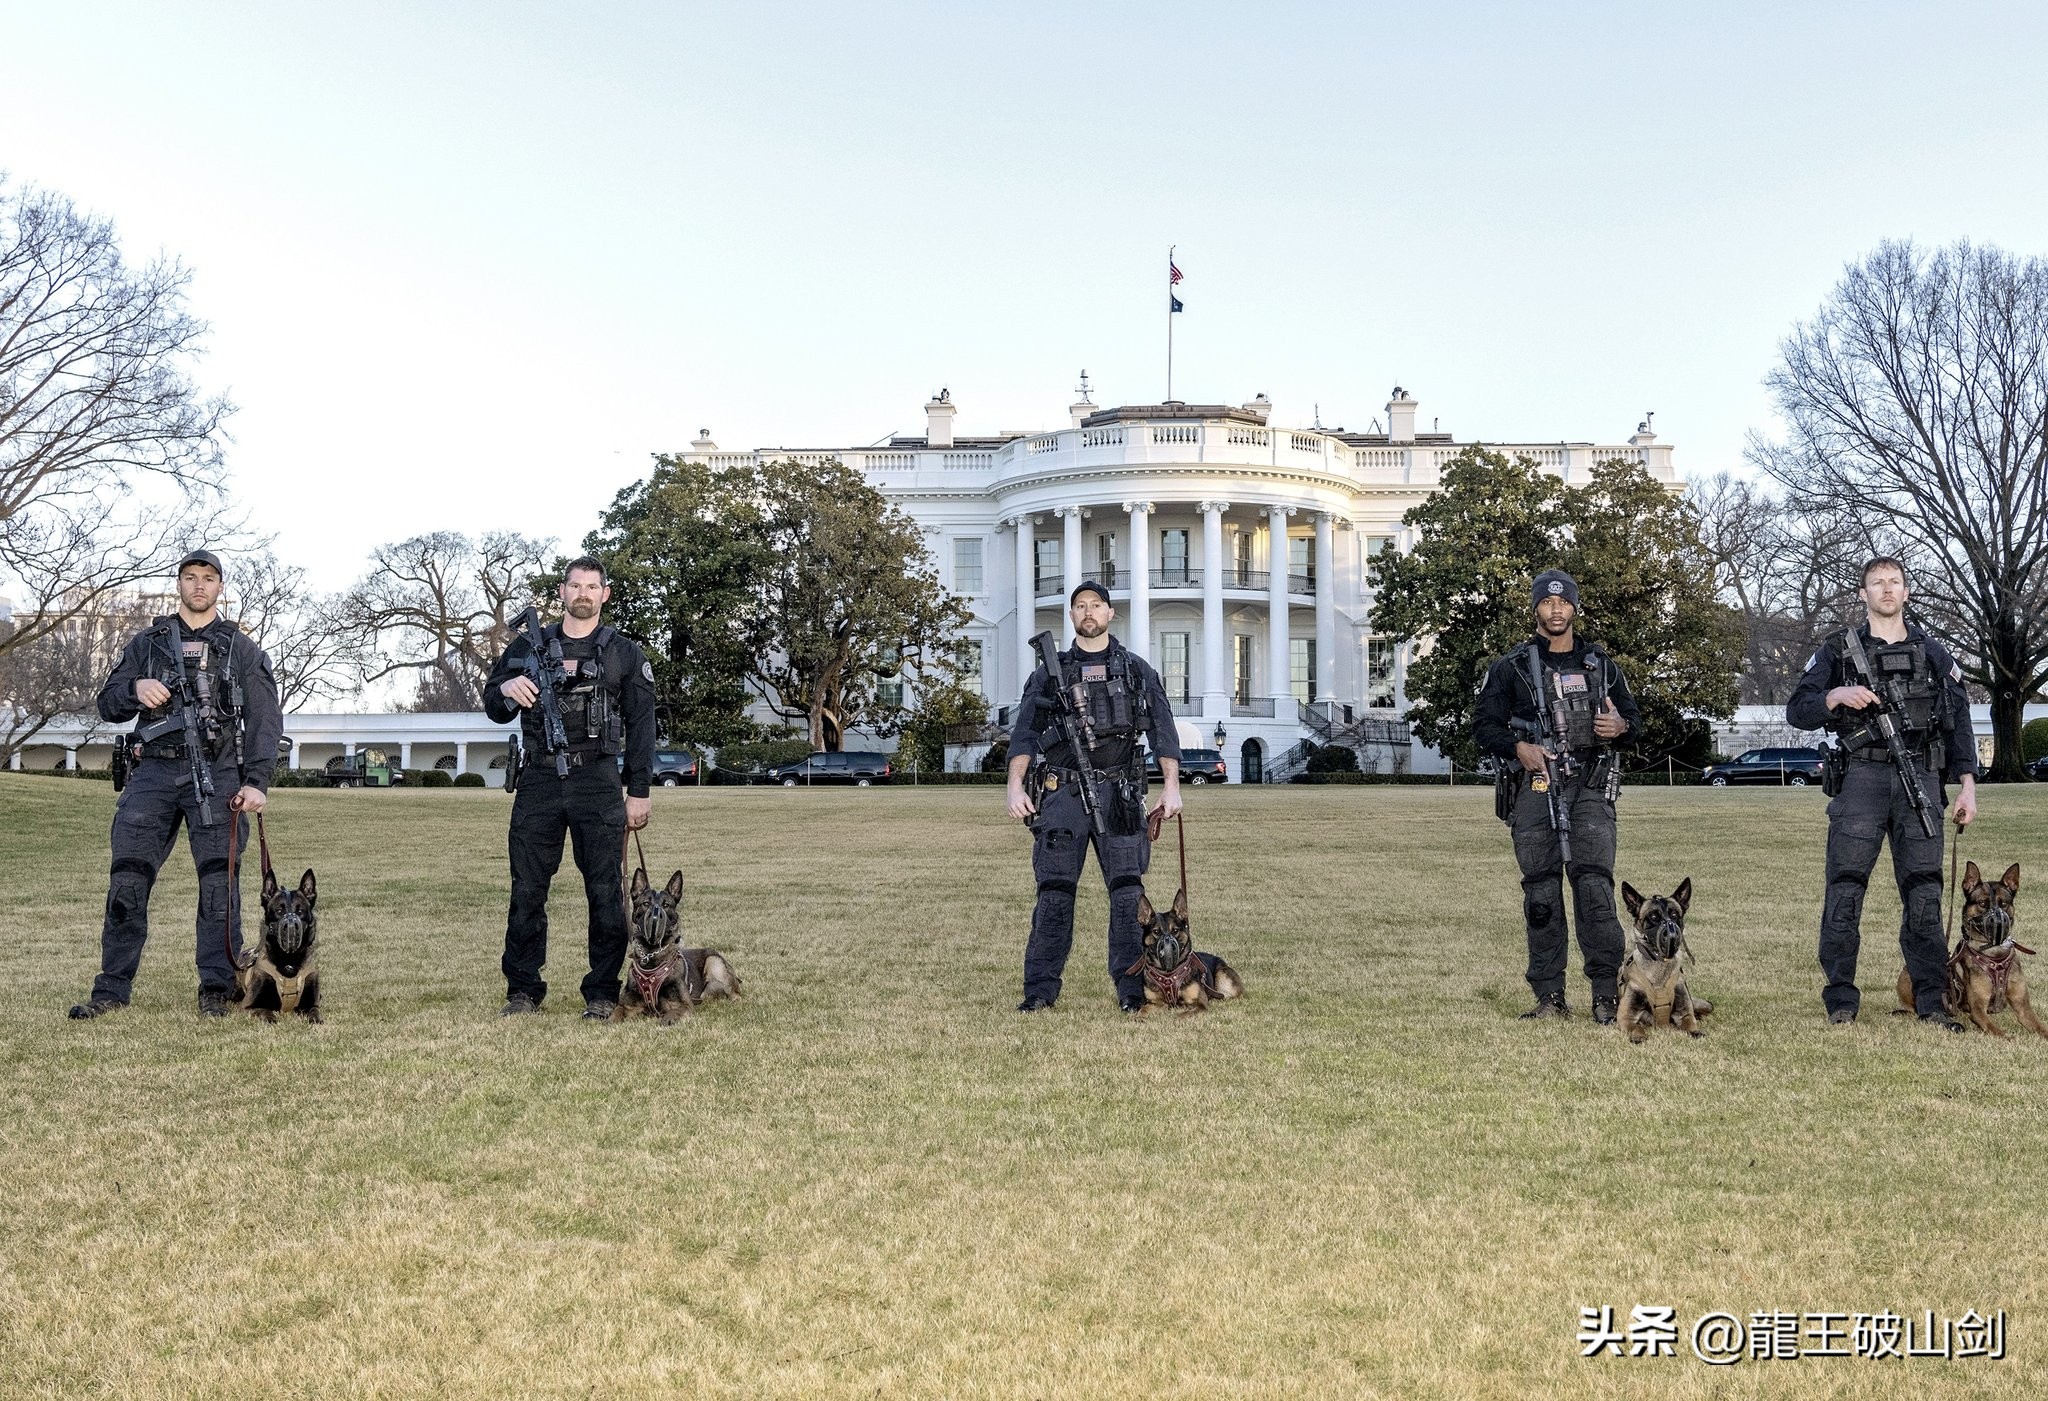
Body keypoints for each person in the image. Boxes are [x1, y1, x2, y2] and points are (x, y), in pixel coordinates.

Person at [69, 550, 283, 1019]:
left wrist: (257, 781)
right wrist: (136, 689)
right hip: (154, 775)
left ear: (220, 587)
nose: (199, 586)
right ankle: (110, 991)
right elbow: (108, 704)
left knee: (218, 886)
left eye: (209, 578)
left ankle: (218, 988)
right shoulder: (147, 643)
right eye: (190, 578)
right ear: (179, 584)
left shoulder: (241, 649)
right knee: (127, 879)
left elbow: (265, 720)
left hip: (219, 772)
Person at [1786, 556, 1977, 1029]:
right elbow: (1799, 709)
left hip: (1923, 781)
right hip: (1862, 782)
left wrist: (1967, 787)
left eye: (1895, 582)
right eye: (1877, 583)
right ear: (1863, 593)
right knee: (1845, 891)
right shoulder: (1837, 651)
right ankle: (1841, 1000)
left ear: (1907, 592)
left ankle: (1931, 1000)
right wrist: (1835, 697)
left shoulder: (1934, 653)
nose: (1887, 590)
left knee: (1925, 895)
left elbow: (1960, 723)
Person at [484, 556, 656, 1019]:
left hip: (597, 781)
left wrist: (638, 790)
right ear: (561, 592)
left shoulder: (623, 653)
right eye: (575, 585)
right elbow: (493, 704)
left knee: (605, 891)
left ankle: (601, 993)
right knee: (527, 890)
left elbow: (643, 727)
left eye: (591, 586)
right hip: (538, 779)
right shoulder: (526, 646)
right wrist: (506, 688)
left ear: (605, 594)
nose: (583, 593)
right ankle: (522, 991)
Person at [1005, 581, 1182, 1013]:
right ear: (1071, 617)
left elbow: (1163, 730)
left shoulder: (1136, 669)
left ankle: (1130, 991)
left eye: (1096, 606)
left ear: (1109, 614)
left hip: (1120, 793)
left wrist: (1172, 786)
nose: (1088, 612)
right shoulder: (1049, 674)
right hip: (1062, 792)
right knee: (1054, 893)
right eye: (1080, 606)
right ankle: (1039, 991)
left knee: (1127, 894)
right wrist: (1014, 785)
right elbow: (1025, 733)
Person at [1474, 569, 1640, 1023]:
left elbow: (1635, 723)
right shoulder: (1510, 668)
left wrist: (1619, 728)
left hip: (1589, 785)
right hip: (1537, 785)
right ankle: (1550, 997)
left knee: (1594, 888)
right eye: (1547, 604)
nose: (1555, 610)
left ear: (1573, 607)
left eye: (1563, 602)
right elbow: (1482, 726)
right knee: (1541, 893)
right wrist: (1518, 748)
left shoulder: (1601, 665)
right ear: (1535, 610)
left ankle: (1606, 996)